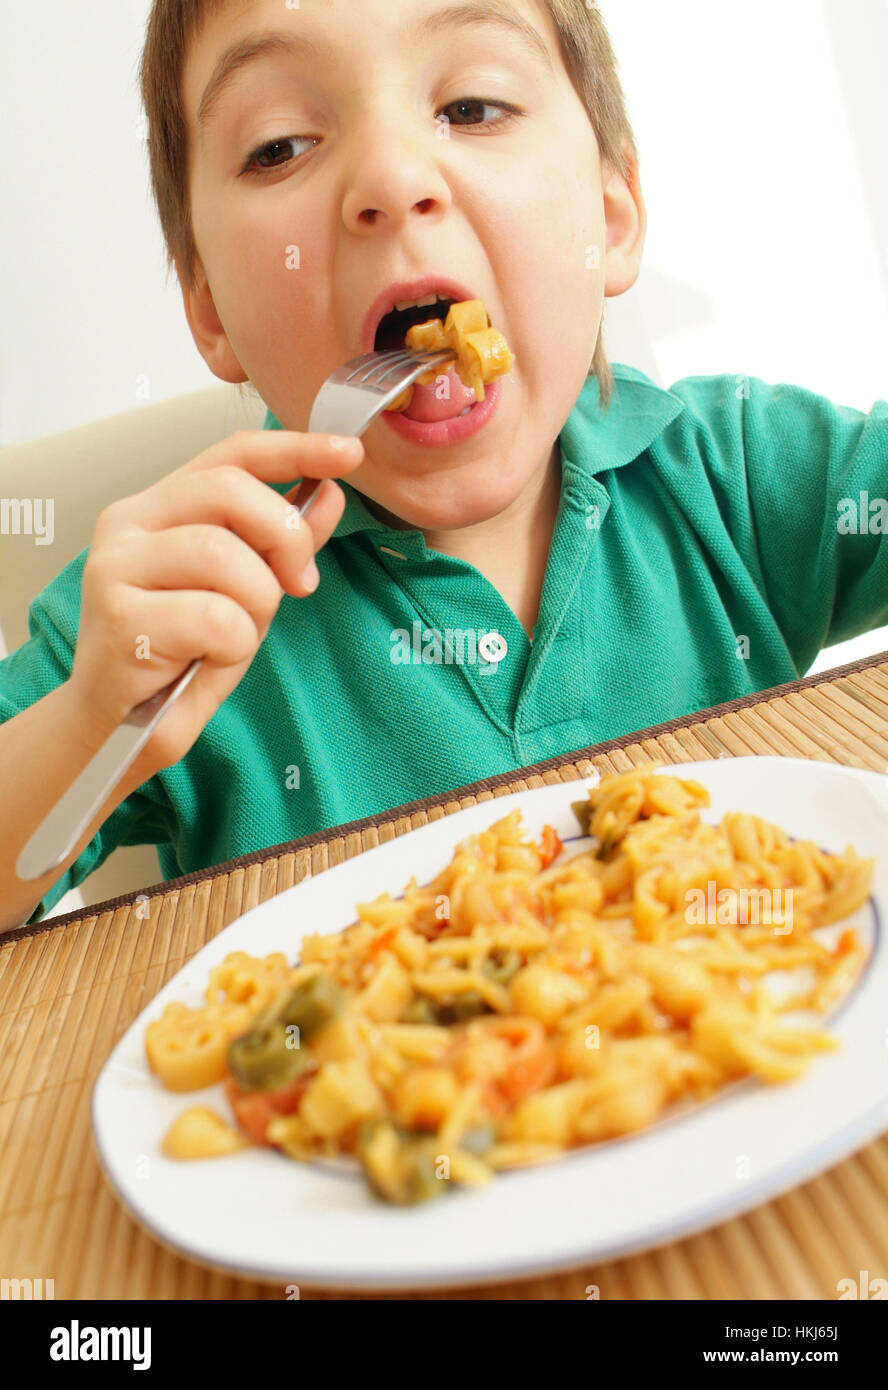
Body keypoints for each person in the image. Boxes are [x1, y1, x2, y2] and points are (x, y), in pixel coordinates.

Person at [1, 0, 886, 930]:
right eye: (280, 145)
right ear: (210, 305)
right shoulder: (168, 609)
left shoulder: (740, 473)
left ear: (612, 213)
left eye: (471, 107)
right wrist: (86, 724)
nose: (389, 177)